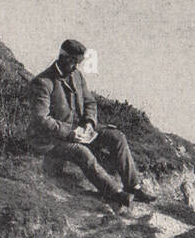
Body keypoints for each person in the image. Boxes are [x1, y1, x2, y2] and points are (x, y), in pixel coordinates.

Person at [29, 39, 156, 207]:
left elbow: (90, 102)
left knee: (117, 137)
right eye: (73, 61)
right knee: (82, 153)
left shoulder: (77, 75)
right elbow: (41, 120)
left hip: (80, 131)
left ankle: (133, 186)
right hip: (51, 139)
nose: (76, 66)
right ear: (62, 57)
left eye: (78, 62)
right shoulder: (43, 82)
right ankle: (115, 193)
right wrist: (70, 132)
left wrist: (89, 122)